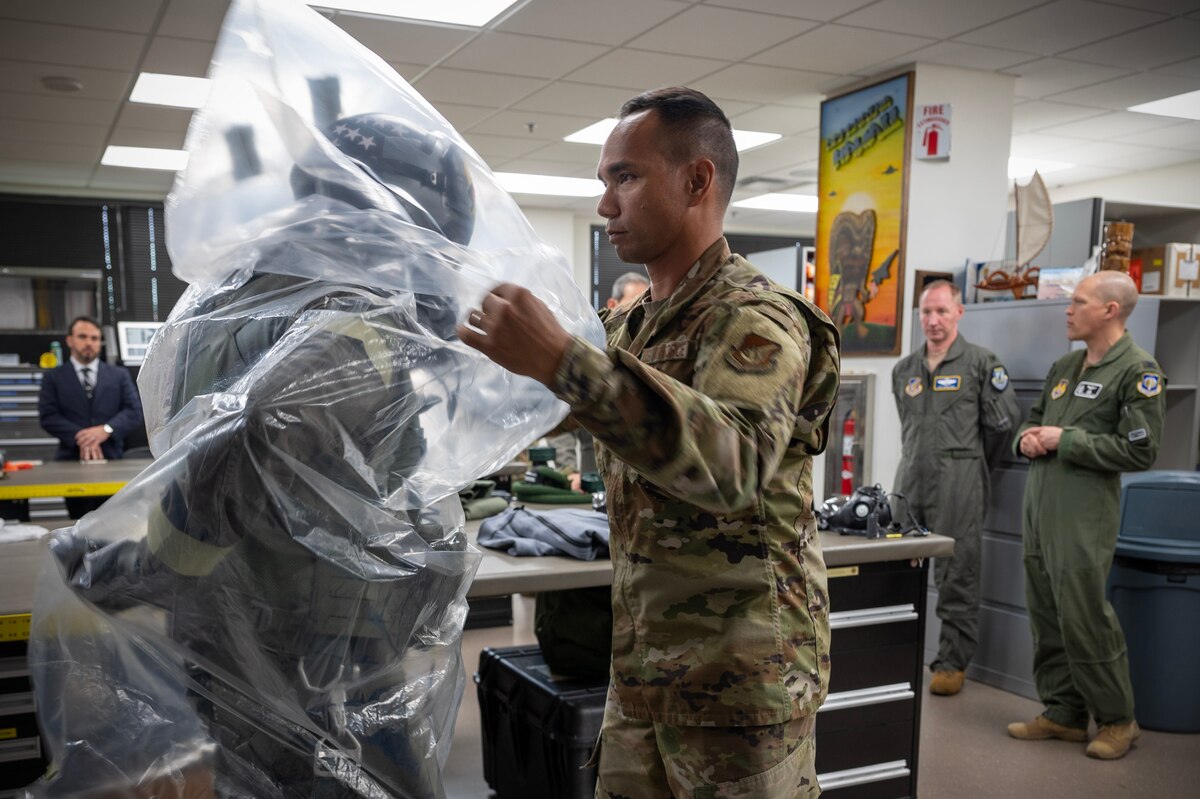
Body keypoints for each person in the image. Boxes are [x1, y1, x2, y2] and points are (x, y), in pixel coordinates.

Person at [459, 86, 841, 798]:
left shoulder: (756, 317)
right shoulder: (636, 329)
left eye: (625, 178)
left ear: (697, 180)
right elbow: (565, 409)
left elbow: (734, 463)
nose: (606, 204)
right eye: (605, 181)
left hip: (740, 691)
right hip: (644, 674)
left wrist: (560, 359)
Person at [1008, 271, 1164, 760]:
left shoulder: (1138, 371)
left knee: (1085, 617)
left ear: (1110, 310)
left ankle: (1119, 719)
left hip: (1084, 514)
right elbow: (1034, 419)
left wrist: (1064, 440)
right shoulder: (1066, 365)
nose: (1068, 310)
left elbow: (1140, 451)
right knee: (1045, 613)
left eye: (1077, 302)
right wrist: (1027, 438)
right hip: (1040, 506)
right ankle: (1064, 713)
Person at [891, 280, 1019, 696]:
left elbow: (1003, 427)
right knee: (895, 566)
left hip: (960, 479)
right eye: (927, 312)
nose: (933, 321)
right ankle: (891, 652)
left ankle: (951, 662)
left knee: (957, 572)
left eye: (942, 311)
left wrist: (974, 467)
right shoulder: (904, 370)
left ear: (959, 313)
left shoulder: (981, 364)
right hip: (910, 478)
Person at [37, 315, 144, 518]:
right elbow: (48, 416)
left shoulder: (118, 375)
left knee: (114, 524)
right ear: (70, 340)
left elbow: (133, 412)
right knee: (79, 523)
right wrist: (82, 436)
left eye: (95, 338)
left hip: (113, 459)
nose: (89, 343)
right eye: (83, 337)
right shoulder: (53, 377)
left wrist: (105, 430)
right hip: (70, 461)